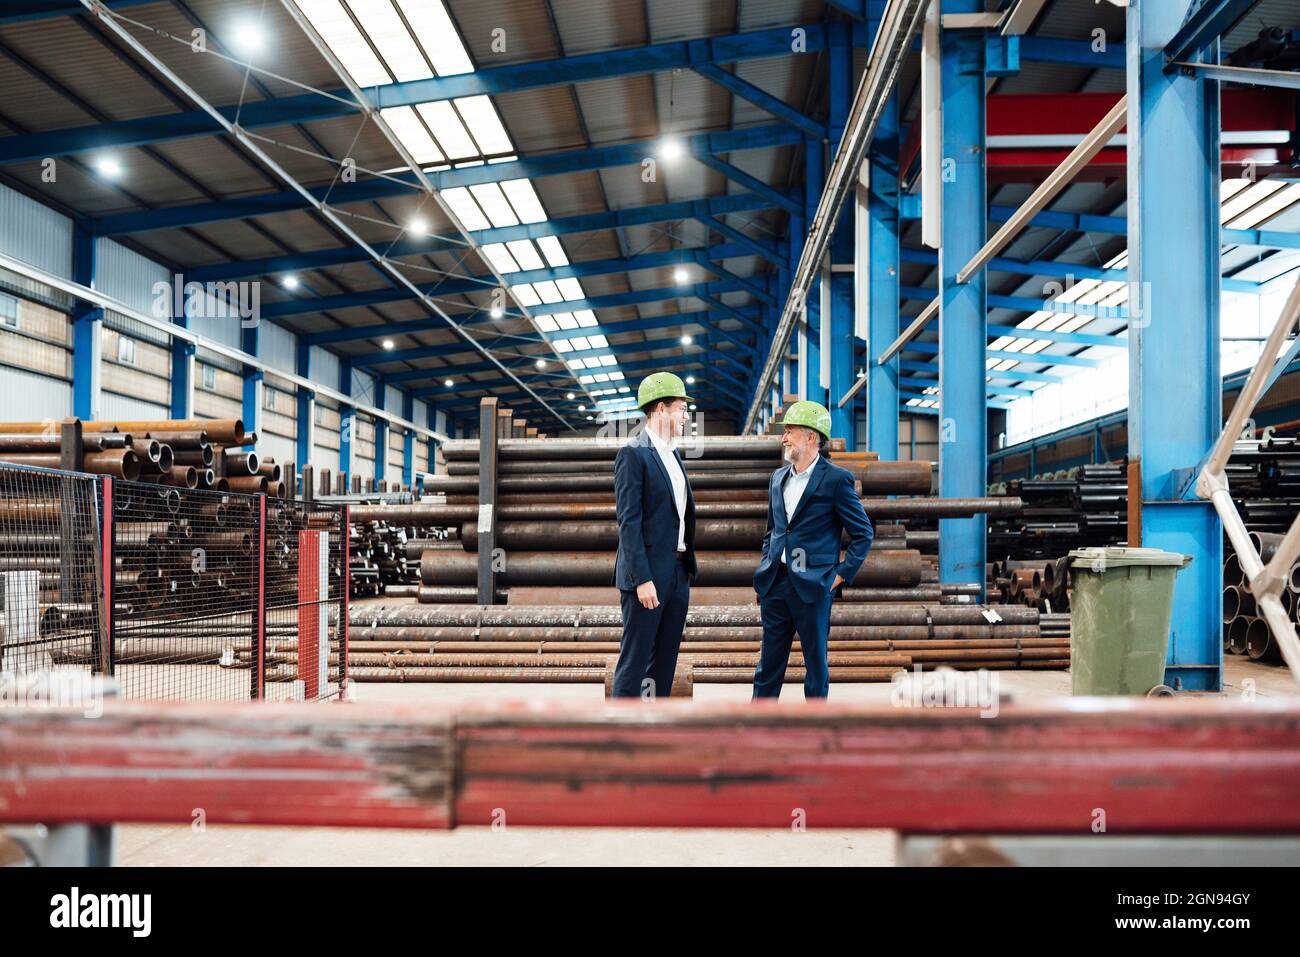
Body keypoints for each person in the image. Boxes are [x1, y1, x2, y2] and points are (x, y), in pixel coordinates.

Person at [752, 400, 874, 699]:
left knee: (816, 667)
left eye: (790, 431)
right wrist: (767, 560)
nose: (784, 437)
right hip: (776, 583)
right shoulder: (777, 478)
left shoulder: (836, 479)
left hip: (814, 586)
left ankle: (815, 731)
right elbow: (773, 530)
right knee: (768, 665)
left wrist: (838, 577)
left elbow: (863, 534)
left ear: (811, 437)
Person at [610, 372, 697, 699]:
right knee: (635, 662)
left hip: (676, 573)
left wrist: (684, 570)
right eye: (681, 409)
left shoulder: (673, 455)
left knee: (664, 663)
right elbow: (628, 522)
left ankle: (651, 732)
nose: (686, 416)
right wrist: (641, 578)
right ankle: (620, 737)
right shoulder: (633, 453)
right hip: (646, 576)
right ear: (661, 409)